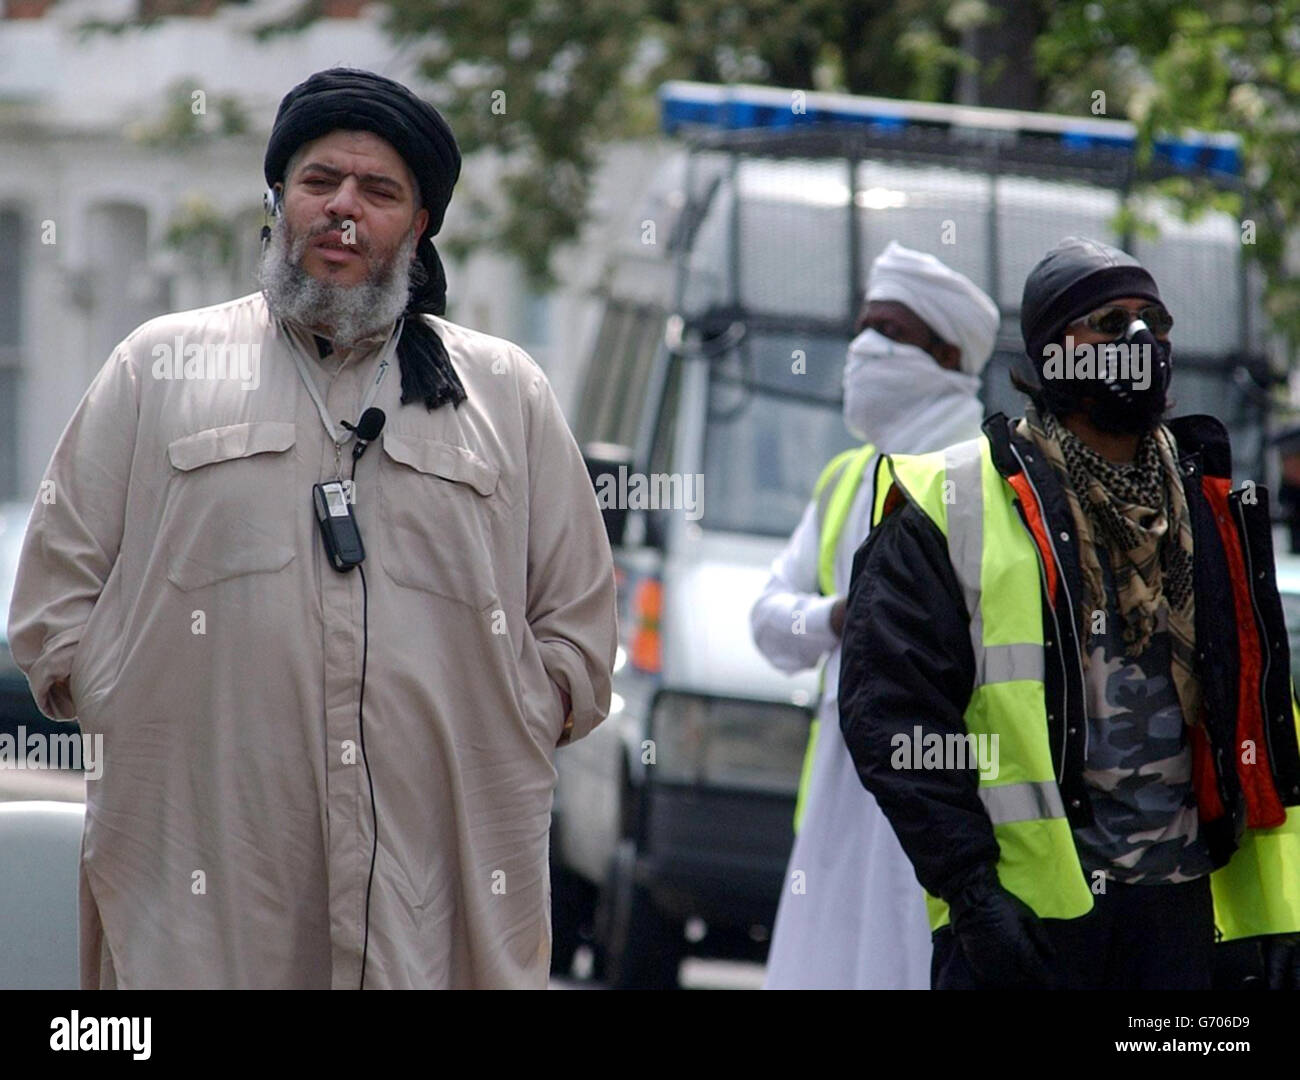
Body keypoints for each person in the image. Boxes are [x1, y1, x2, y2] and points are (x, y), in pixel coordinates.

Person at [7, 67, 618, 990]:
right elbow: (54, 604)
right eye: (318, 182)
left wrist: (512, 711)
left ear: (418, 227)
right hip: (208, 871)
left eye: (378, 192)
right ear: (278, 200)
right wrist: (132, 698)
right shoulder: (158, 368)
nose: (343, 210)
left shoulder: (505, 395)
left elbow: (578, 630)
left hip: (436, 883)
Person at [838, 235, 1300, 990]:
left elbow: (1265, 717)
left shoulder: (1212, 506)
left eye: (1154, 319)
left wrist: (1282, 912)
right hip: (1032, 925)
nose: (1141, 339)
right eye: (1111, 324)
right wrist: (971, 888)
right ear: (1055, 352)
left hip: (1182, 919)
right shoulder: (950, 503)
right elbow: (890, 714)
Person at [750, 242, 999, 989]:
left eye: (889, 330)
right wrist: (836, 617)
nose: (864, 348)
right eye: (862, 326)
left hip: (943, 802)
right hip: (837, 807)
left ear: (950, 354)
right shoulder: (850, 477)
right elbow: (768, 621)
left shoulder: (989, 479)